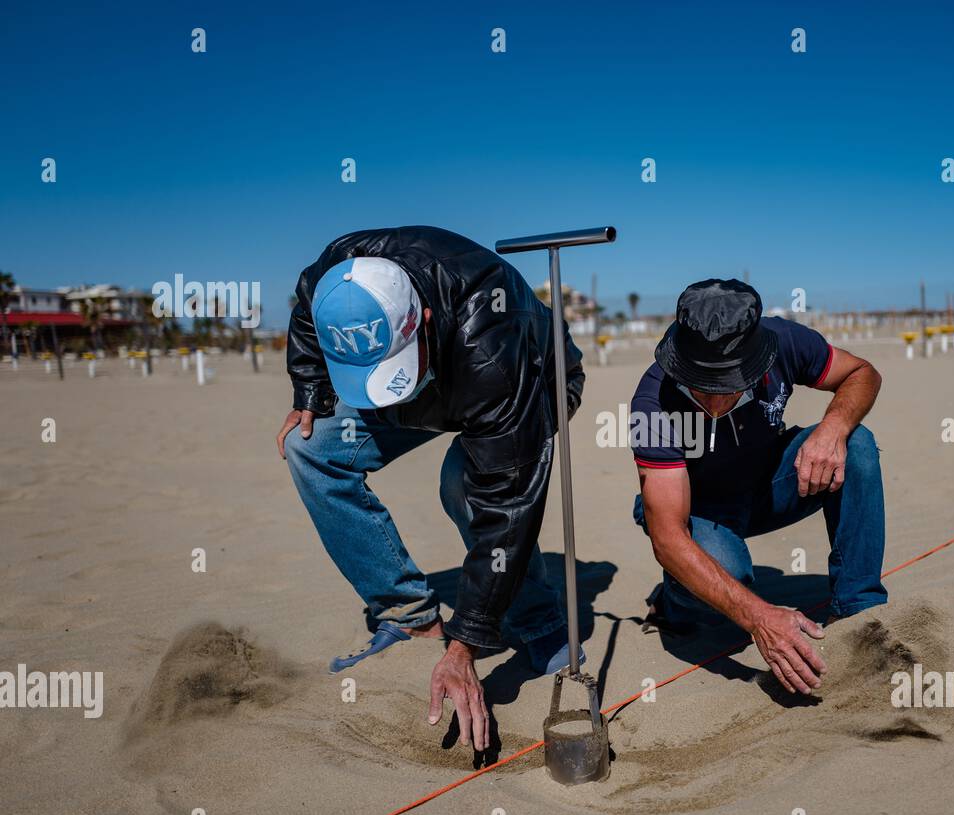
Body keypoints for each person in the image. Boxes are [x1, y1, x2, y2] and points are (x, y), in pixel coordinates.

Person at [275, 225, 585, 751]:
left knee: (462, 484)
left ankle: (537, 619)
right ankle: (409, 616)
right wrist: (309, 388)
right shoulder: (332, 276)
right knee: (312, 449)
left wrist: (466, 645)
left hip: (527, 379)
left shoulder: (491, 347)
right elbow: (306, 310)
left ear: (421, 319)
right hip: (424, 381)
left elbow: (507, 504)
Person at [629, 279, 886, 695]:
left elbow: (863, 373)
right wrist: (759, 618)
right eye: (702, 383)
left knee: (857, 445)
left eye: (726, 384)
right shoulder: (652, 403)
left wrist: (833, 428)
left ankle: (859, 612)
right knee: (731, 576)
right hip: (699, 509)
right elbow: (669, 538)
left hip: (771, 485)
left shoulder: (784, 340)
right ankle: (673, 601)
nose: (713, 402)